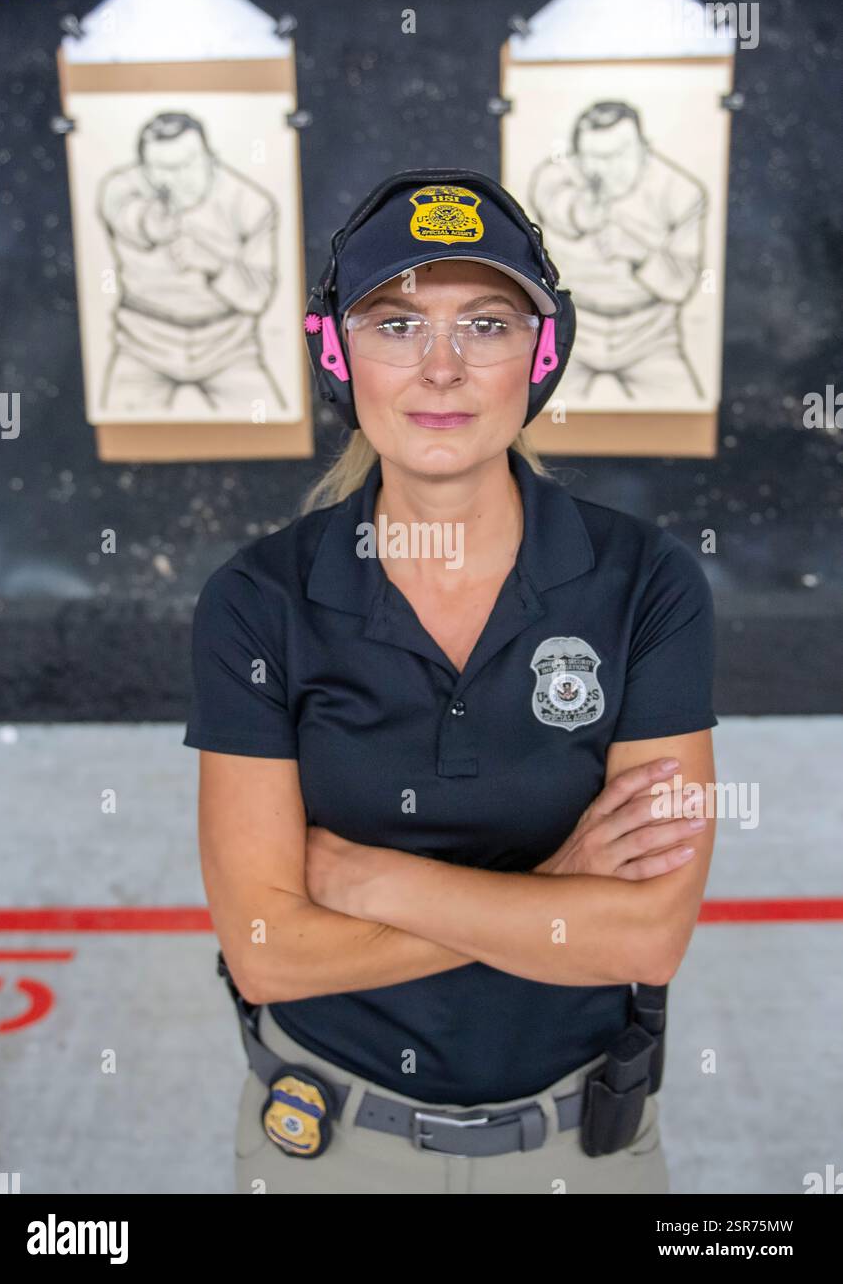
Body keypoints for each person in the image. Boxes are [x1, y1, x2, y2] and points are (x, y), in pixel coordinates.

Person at [183, 170, 718, 1194]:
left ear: (541, 355)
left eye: (483, 323)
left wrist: (368, 878)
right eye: (394, 323)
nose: (440, 368)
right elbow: (267, 954)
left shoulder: (647, 583)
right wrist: (554, 892)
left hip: (581, 1146)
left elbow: (647, 931)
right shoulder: (257, 600)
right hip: (329, 1144)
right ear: (337, 354)